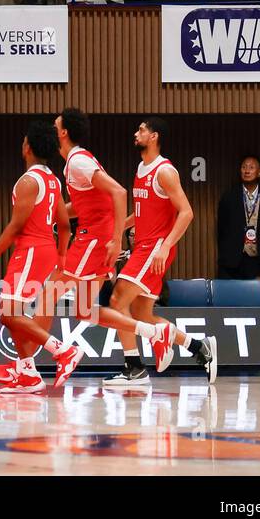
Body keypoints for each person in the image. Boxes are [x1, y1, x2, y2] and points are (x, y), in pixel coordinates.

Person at [0, 109, 196, 390]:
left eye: (55, 124)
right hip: (94, 237)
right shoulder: (73, 163)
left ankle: (31, 368)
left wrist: (116, 238)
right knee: (86, 311)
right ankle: (155, 332)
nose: (52, 127)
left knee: (49, 295)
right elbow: (89, 206)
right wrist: (52, 214)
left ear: (63, 133)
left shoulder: (78, 162)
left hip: (93, 239)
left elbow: (118, 193)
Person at [0, 120, 83, 394]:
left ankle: (63, 351)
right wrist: (62, 257)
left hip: (30, 249)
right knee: (11, 313)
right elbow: (65, 225)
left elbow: (16, 226)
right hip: (45, 249)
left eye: (23, 140)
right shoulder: (53, 180)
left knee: (8, 312)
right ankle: (27, 372)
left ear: (28, 147)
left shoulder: (29, 180)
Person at [105, 118, 216, 387]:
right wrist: (118, 230)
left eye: (141, 130)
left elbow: (187, 212)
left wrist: (164, 247)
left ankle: (134, 368)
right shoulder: (142, 168)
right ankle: (199, 348)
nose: (136, 133)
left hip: (154, 248)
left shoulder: (165, 171)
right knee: (142, 314)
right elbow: (142, 213)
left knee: (117, 300)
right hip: (144, 245)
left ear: (153, 136)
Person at [215, 155, 260, 280]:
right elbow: (221, 229)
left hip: (258, 259)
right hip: (232, 260)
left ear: (259, 172)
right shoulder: (228, 197)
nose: (246, 170)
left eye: (251, 167)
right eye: (243, 167)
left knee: (255, 298)